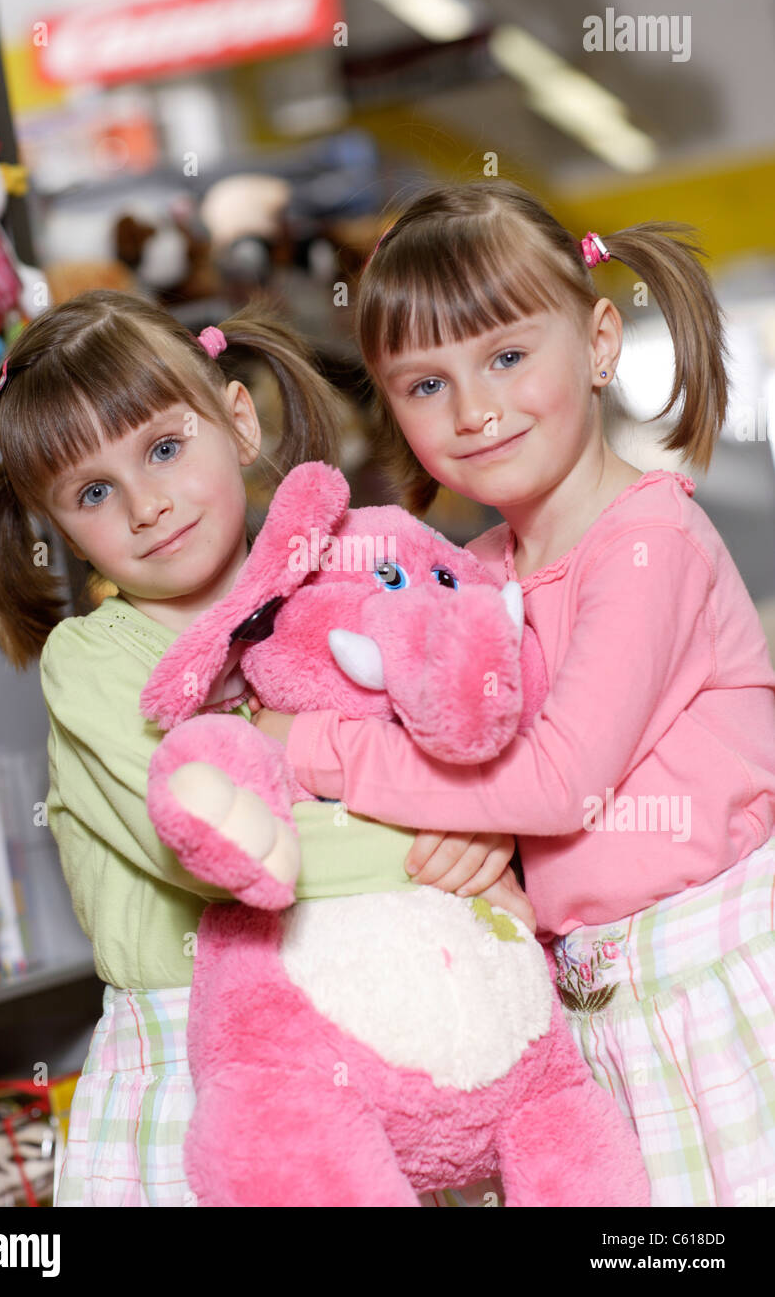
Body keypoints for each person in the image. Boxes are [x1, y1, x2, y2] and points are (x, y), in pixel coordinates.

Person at [251, 180, 775, 1207]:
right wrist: (489, 847)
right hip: (593, 1009)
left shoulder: (644, 541)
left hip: (720, 975)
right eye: (423, 383)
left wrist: (308, 748)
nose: (473, 407)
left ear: (597, 342)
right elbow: (489, 775)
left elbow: (555, 781)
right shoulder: (468, 572)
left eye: (504, 356)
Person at [0, 287, 527, 1207]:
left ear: (234, 416)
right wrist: (444, 838)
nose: (146, 506)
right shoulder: (95, 663)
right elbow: (224, 852)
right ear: (58, 527)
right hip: (203, 1066)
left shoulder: (336, 584)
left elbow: (463, 716)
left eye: (165, 449)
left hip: (386, 1033)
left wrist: (494, 822)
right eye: (94, 493)